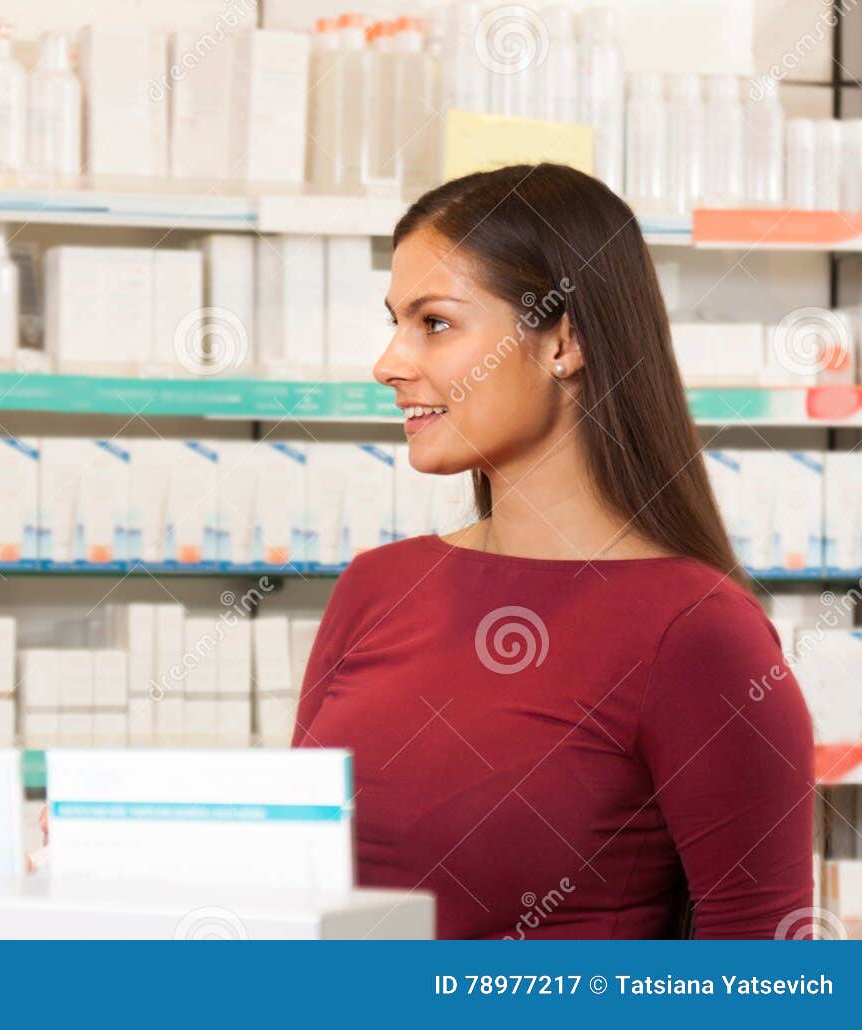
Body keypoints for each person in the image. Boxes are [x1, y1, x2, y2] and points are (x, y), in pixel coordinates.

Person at [293, 163, 814, 939]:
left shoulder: (698, 634)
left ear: (563, 340)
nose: (390, 363)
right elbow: (288, 885)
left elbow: (768, 985)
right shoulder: (377, 588)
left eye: (433, 322)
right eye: (395, 322)